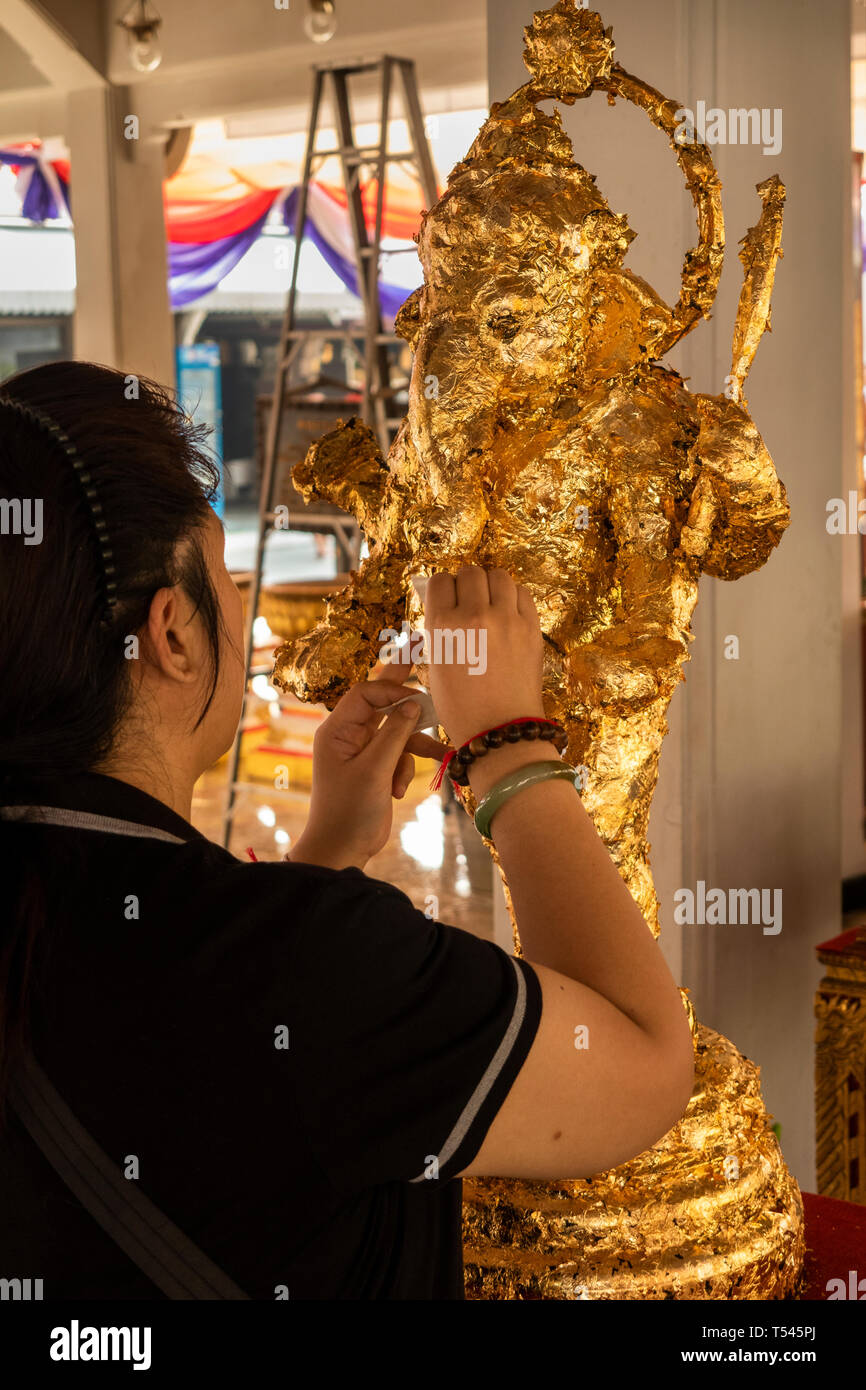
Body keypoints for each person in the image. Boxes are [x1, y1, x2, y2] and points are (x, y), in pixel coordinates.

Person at [0, 361, 694, 1301]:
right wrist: (509, 749)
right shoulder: (311, 965)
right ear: (171, 635)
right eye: (226, 576)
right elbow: (646, 1065)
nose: (242, 607)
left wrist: (320, 864)